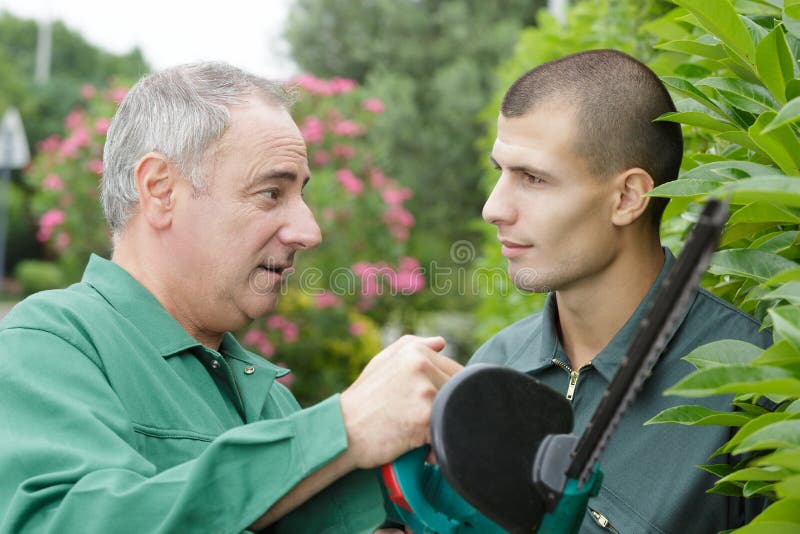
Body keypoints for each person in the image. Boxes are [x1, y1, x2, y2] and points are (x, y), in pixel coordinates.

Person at [0, 62, 462, 533]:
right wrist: (345, 427)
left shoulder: (272, 405)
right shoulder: (48, 343)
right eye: (270, 193)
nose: (310, 231)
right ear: (160, 190)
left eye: (300, 194)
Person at [470, 49, 772, 533]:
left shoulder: (751, 383)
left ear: (629, 197)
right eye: (499, 172)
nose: (493, 208)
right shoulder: (491, 368)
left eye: (533, 178)